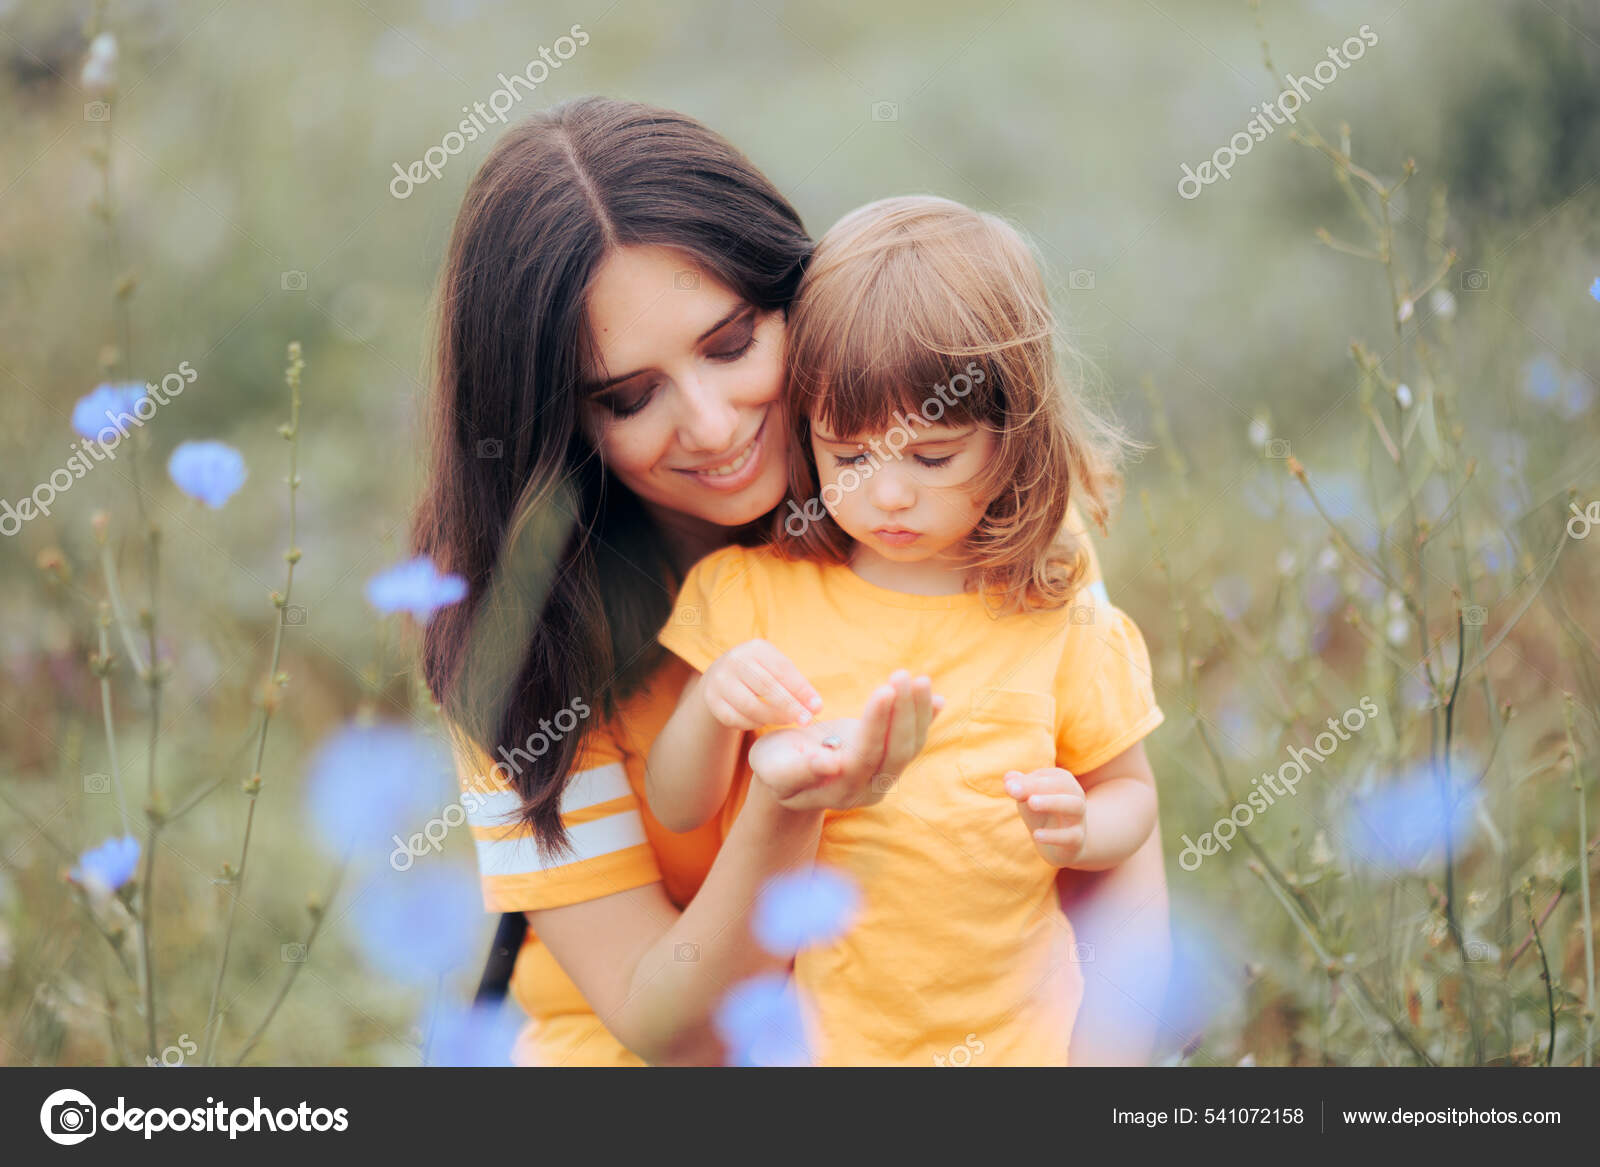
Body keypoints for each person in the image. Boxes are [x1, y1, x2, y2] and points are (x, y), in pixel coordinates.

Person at [414, 98, 1169, 1066]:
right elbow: (666, 1031)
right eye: (628, 397)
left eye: (731, 346)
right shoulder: (509, 638)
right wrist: (786, 804)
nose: (715, 425)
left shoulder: (973, 515)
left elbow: (1115, 875)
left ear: (798, 299)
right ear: (556, 425)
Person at [645, 195, 1164, 1064]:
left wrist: (1084, 828)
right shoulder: (752, 594)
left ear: (1015, 434)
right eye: (848, 456)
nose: (886, 495)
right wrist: (710, 706)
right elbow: (679, 802)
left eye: (932, 457)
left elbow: (1133, 797)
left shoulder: (1052, 610)